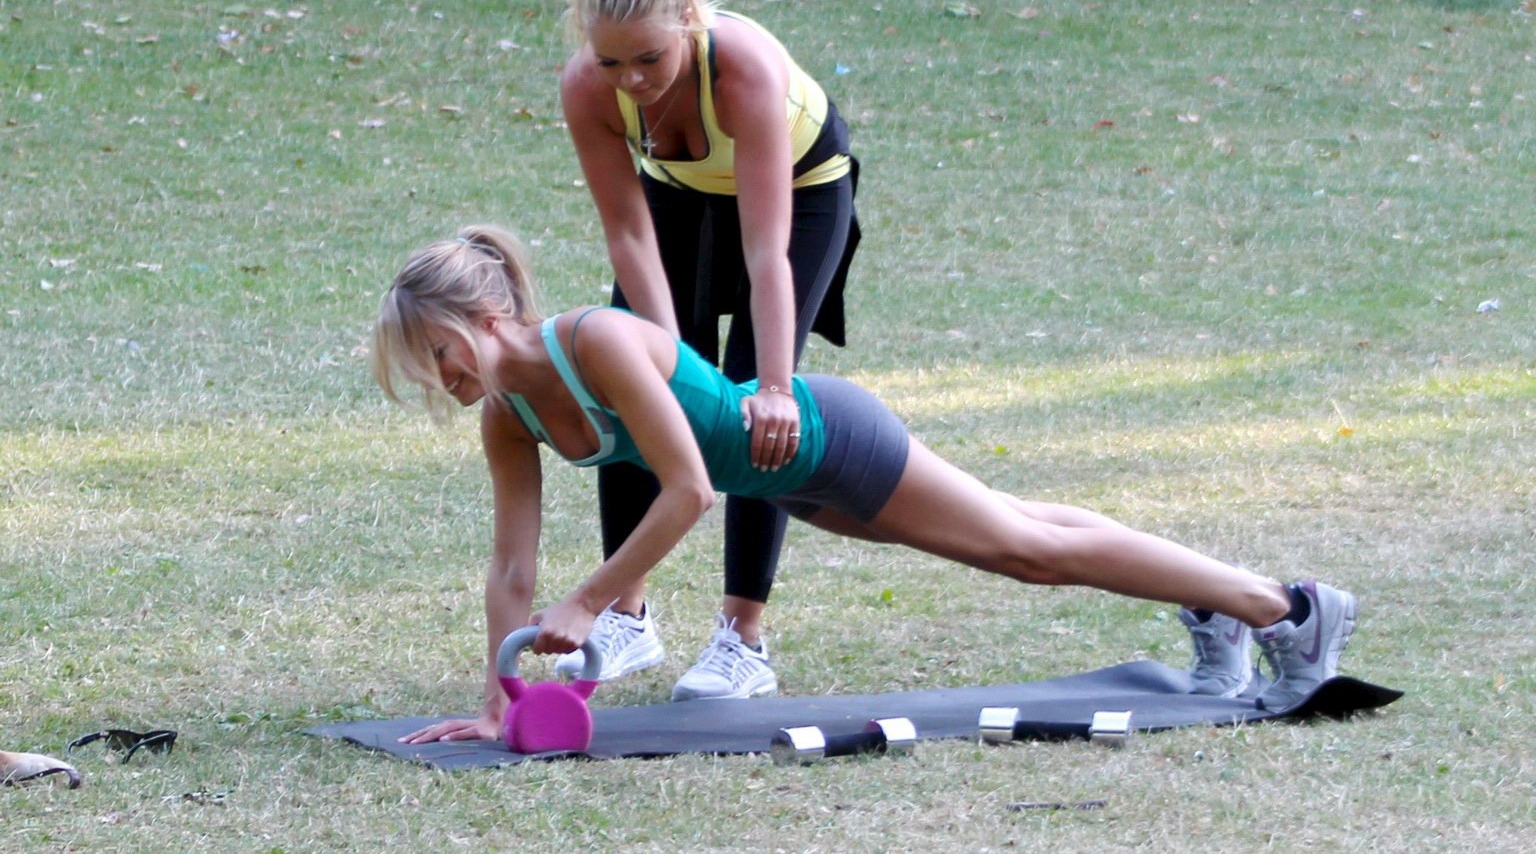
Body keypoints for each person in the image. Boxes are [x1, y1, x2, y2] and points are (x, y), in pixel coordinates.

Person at [374, 228, 1359, 744]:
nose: (443, 382)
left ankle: (1287, 608)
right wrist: (503, 701)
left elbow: (688, 491)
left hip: (831, 437)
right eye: (428, 371)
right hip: (806, 483)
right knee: (1022, 528)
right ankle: (1216, 597)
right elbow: (511, 563)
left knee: (1027, 553)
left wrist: (590, 600)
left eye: (443, 354)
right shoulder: (512, 415)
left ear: (488, 313)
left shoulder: (595, 338)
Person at [555, 0, 863, 700]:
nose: (631, 79)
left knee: (755, 412)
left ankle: (742, 638)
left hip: (800, 189)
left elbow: (766, 253)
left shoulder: (745, 70)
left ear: (689, 22)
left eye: (649, 59)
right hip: (678, 195)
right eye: (612, 59)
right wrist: (658, 363)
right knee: (622, 383)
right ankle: (625, 617)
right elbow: (627, 234)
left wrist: (771, 384)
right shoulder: (590, 86)